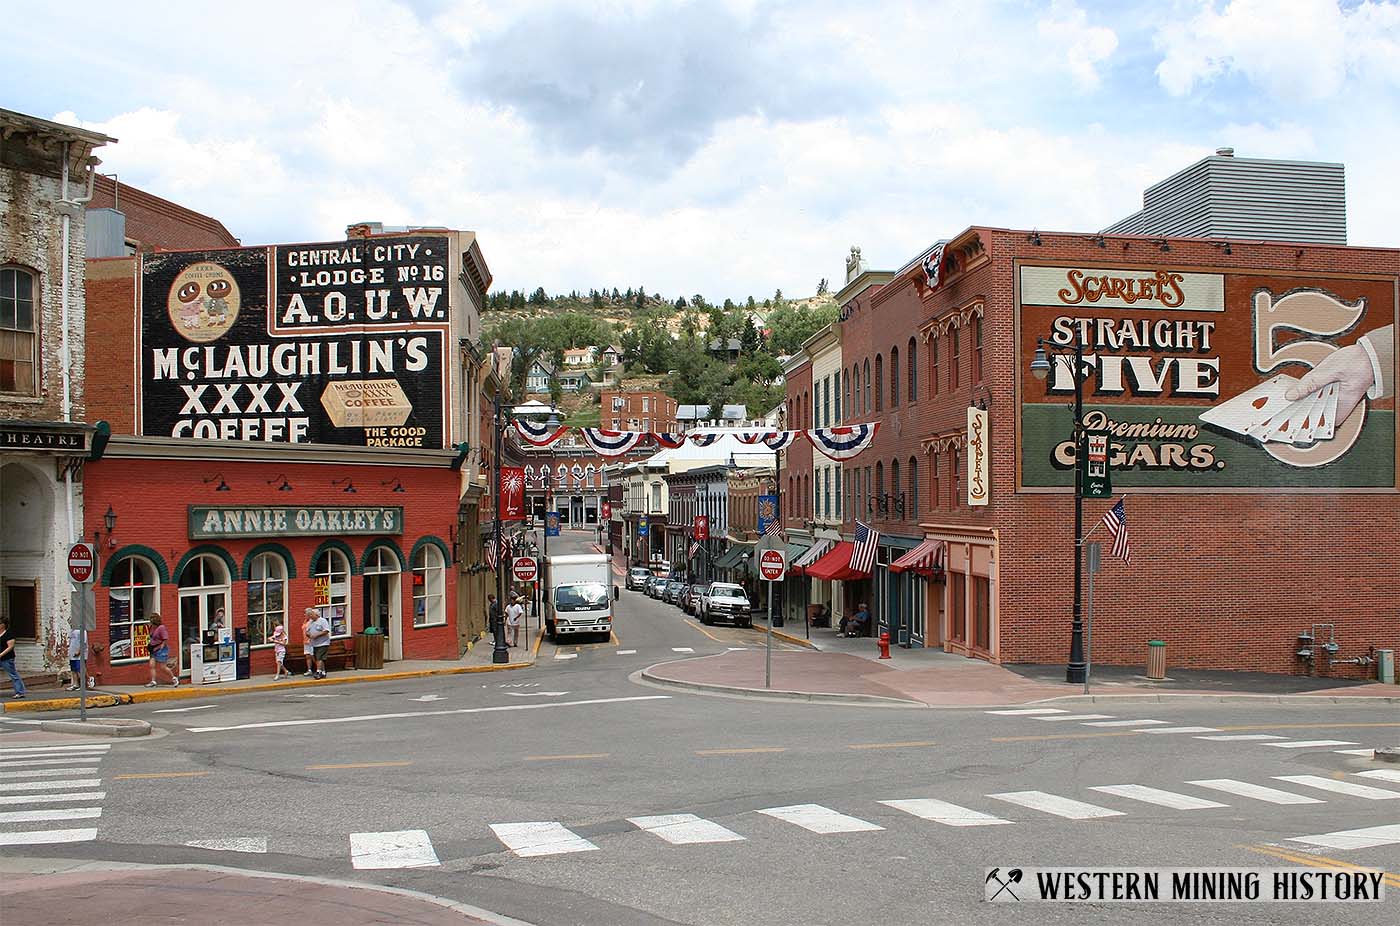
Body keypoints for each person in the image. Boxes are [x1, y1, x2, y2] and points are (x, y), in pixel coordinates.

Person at [146, 614, 178, 687]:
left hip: (161, 650)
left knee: (163, 667)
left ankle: (174, 678)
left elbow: (165, 639)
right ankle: (153, 681)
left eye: (151, 621)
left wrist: (160, 647)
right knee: (152, 665)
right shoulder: (152, 628)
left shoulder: (161, 628)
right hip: (153, 649)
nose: (150, 622)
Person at [0, 617, 25, 699]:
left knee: (13, 674)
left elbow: (10, 647)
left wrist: (1, 654)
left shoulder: (8, 634)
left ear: (3, 625)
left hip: (7, 658)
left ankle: (20, 692)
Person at [305, 607, 331, 680]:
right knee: (318, 658)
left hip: (323, 643)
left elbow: (326, 631)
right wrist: (308, 634)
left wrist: (317, 635)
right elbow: (307, 631)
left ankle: (318, 671)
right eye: (309, 615)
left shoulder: (322, 621)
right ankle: (323, 672)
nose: (310, 616)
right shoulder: (310, 622)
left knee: (319, 657)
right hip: (314, 643)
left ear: (316, 614)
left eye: (312, 614)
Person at [65, 626, 91, 691]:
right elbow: (71, 641)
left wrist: (79, 652)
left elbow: (83, 643)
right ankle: (75, 684)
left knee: (80, 669)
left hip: (80, 654)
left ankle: (84, 684)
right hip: (72, 653)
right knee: (73, 670)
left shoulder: (82, 631)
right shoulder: (72, 630)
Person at [300, 609, 317, 677]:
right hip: (306, 641)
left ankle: (319, 669)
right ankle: (309, 670)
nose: (304, 615)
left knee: (313, 656)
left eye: (305, 614)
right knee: (308, 656)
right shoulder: (305, 621)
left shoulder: (312, 622)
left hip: (311, 641)